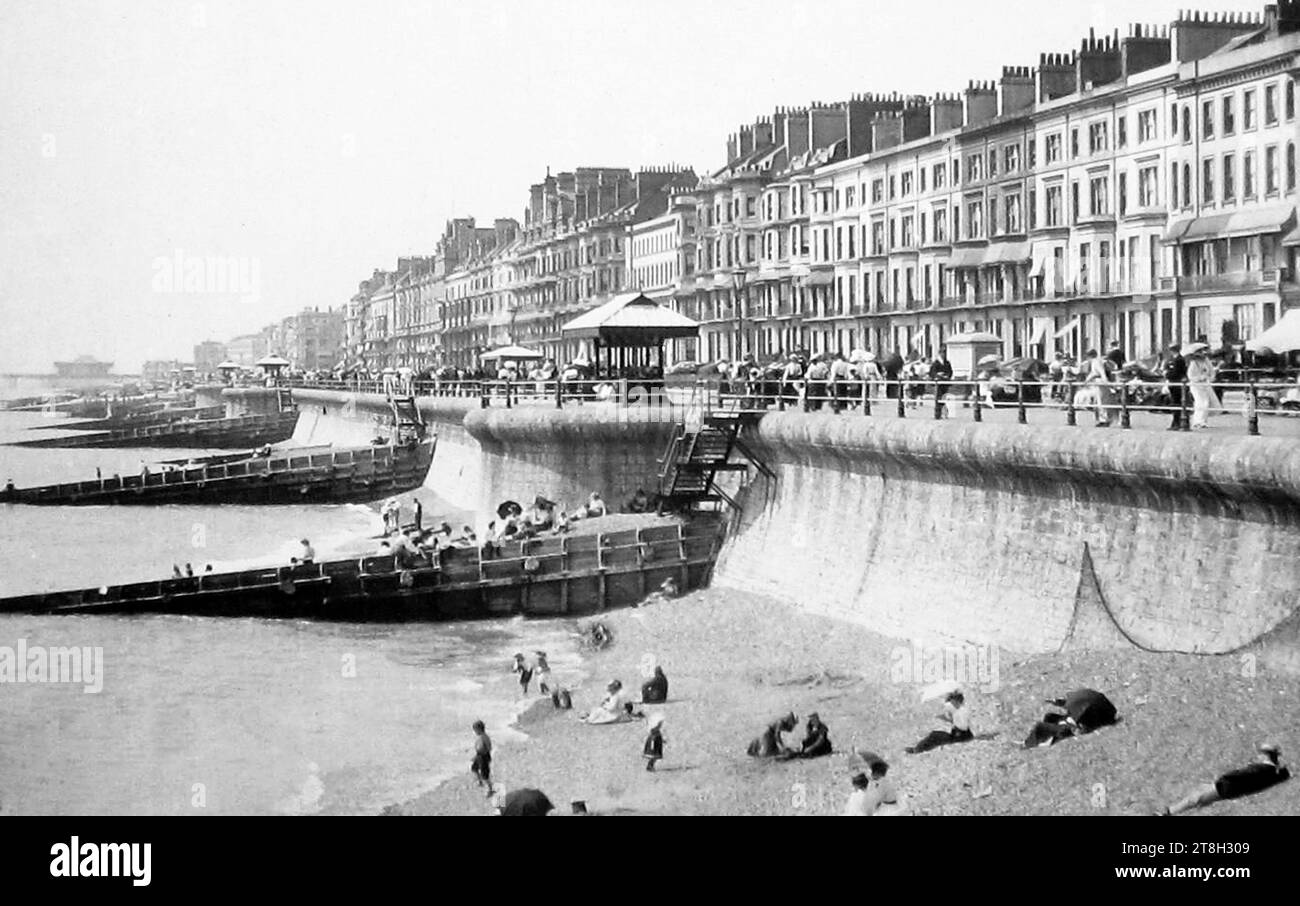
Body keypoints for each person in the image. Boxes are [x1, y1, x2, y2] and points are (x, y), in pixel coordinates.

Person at [1162, 744, 1289, 815]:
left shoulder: (1261, 768)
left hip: (1228, 786)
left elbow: (1237, 775)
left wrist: (1222, 778)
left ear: (1265, 755)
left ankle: (1168, 813)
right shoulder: (1275, 772)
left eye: (1260, 754)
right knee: (1199, 793)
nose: (1257, 756)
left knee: (1196, 798)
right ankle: (1171, 811)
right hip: (1233, 790)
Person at [906, 690, 974, 753]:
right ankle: (919, 748)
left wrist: (949, 719)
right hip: (961, 734)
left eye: (953, 702)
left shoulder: (961, 712)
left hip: (960, 736)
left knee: (935, 736)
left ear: (957, 702)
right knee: (935, 736)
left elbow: (962, 726)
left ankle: (917, 749)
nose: (952, 704)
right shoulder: (959, 709)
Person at [1187, 347, 1215, 429]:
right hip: (1196, 385)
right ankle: (1198, 421)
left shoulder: (1206, 361)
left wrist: (1210, 378)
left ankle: (1203, 421)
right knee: (1200, 402)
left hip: (1205, 385)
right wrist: (1201, 377)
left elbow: (1211, 371)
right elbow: (1191, 376)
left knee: (1206, 402)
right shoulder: (1193, 363)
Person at [1162, 343, 1187, 429]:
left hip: (1177, 384)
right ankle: (1177, 422)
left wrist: (1167, 374)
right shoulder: (1174, 359)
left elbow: (1176, 372)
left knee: (1177, 403)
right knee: (1176, 403)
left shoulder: (1179, 360)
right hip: (1174, 383)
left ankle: (1177, 423)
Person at [470, 720, 494, 796]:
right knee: (474, 768)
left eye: (475, 730)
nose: (474, 732)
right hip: (480, 756)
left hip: (483, 757)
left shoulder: (484, 737)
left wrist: (481, 754)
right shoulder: (481, 737)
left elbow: (485, 748)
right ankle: (479, 781)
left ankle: (490, 789)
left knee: (485, 774)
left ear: (479, 729)